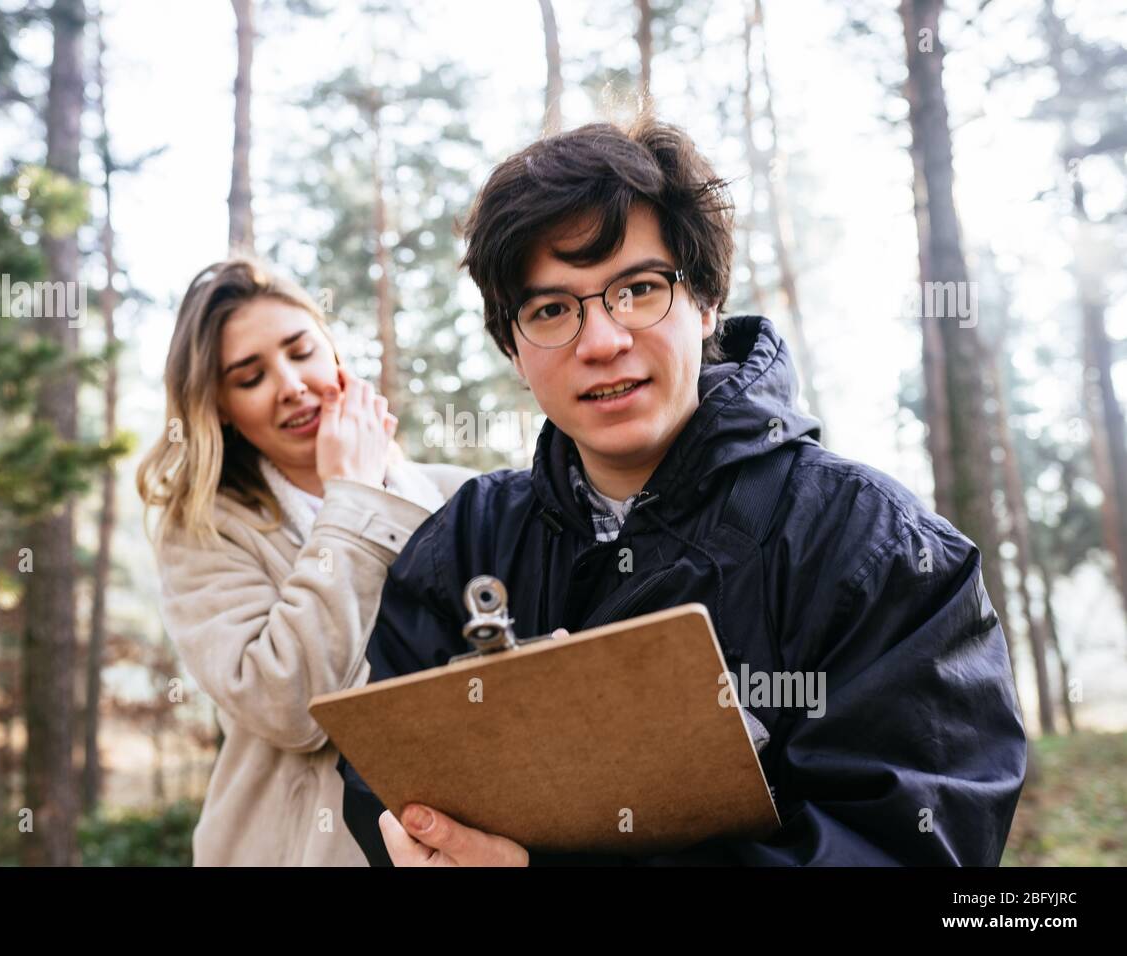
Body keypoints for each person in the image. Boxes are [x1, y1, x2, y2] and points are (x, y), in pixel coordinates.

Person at [338, 117, 1027, 866]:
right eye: (551, 310)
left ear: (704, 302)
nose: (600, 341)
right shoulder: (467, 541)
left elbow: (912, 848)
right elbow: (379, 776)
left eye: (637, 289)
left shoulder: (873, 545)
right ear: (514, 348)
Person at [137, 259, 476, 865]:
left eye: (301, 351)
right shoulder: (206, 533)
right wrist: (352, 501)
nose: (290, 384)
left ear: (334, 354)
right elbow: (292, 709)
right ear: (219, 408)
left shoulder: (461, 495)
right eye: (250, 377)